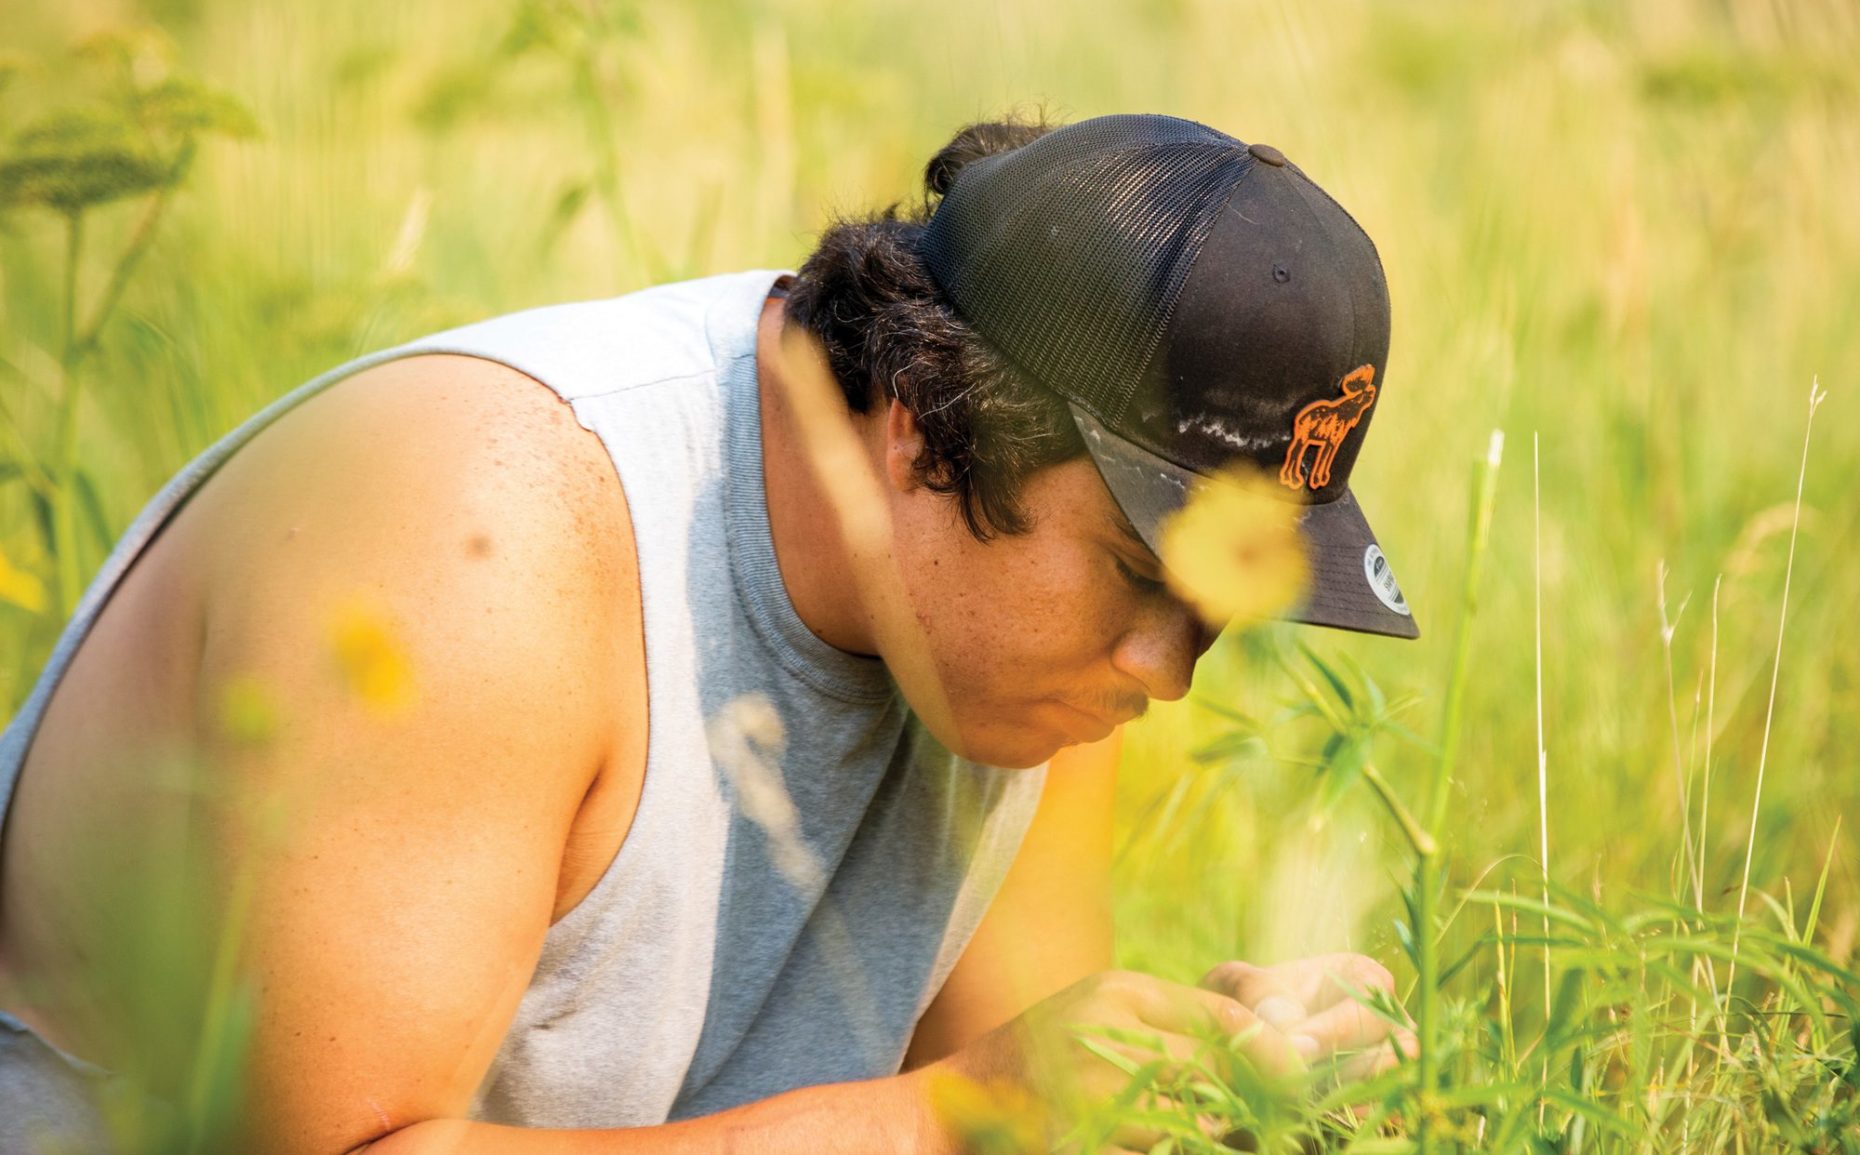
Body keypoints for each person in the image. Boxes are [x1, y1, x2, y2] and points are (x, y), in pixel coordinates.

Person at [0, 113, 1419, 1154]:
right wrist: (949, 1126)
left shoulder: (1032, 652)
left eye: (1219, 611)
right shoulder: (489, 528)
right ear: (929, 421)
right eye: (1132, 571)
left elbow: (1007, 1087)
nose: (1163, 675)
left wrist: (1200, 1081)